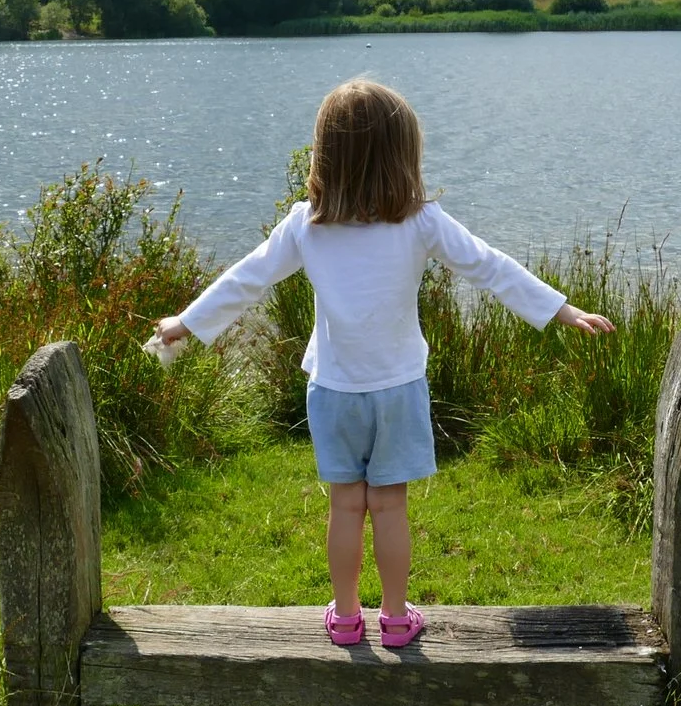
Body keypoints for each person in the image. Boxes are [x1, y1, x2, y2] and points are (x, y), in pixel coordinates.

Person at [153, 79, 613, 649]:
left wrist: (186, 323)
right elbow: (490, 268)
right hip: (398, 389)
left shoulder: (306, 223)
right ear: (403, 153)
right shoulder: (420, 221)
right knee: (389, 504)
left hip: (333, 392)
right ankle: (395, 618)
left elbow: (246, 279)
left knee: (347, 505)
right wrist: (562, 310)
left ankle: (346, 618)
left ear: (327, 155)